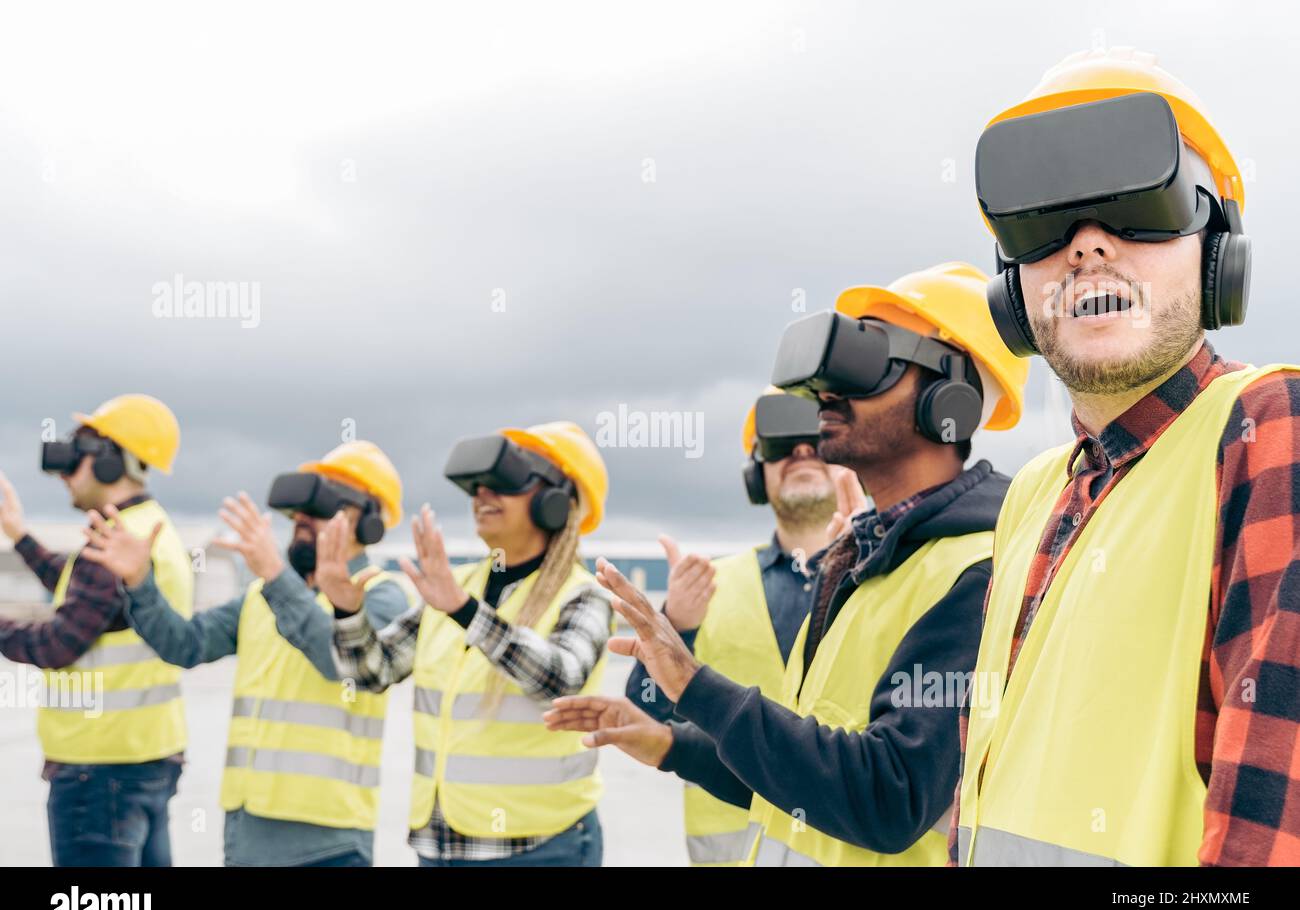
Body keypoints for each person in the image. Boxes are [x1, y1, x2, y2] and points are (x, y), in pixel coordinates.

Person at [547, 263, 1029, 866]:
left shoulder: (977, 569)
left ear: (948, 396)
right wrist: (671, 745)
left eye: (867, 363)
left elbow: (889, 798)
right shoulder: (861, 562)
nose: (828, 392)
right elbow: (801, 779)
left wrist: (697, 687)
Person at [953, 48, 1300, 867]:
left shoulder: (1266, 429)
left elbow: (1270, 835)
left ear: (1218, 254)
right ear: (1012, 290)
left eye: (1143, 208)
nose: (1087, 247)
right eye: (1045, 225)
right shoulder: (1034, 492)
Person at [79, 441, 410, 867]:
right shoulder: (260, 596)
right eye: (298, 513)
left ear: (368, 523)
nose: (303, 520)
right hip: (247, 836)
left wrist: (275, 574)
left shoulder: (381, 594)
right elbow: (185, 644)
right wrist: (140, 581)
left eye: (321, 507)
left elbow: (343, 665)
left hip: (332, 845)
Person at [315, 422, 614, 866]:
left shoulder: (582, 593)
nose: (481, 496)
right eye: (476, 486)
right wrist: (347, 612)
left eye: (503, 483)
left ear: (558, 501)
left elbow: (560, 678)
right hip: (442, 844)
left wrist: (464, 611)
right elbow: (371, 673)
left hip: (539, 848)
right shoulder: (454, 586)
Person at [625, 389, 839, 865]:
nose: (801, 453)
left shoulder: (896, 577)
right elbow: (643, 717)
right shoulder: (709, 586)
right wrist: (676, 627)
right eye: (781, 446)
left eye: (818, 439)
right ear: (755, 476)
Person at [0, 395, 192, 866]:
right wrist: (19, 535)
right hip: (147, 757)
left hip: (99, 771)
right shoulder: (150, 529)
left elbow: (55, 644)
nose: (65, 471)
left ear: (109, 463)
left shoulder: (113, 543)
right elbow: (82, 592)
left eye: (76, 455)